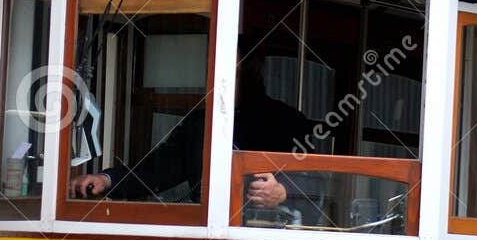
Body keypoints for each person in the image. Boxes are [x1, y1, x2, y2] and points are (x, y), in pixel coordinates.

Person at [71, 58, 315, 207]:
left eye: (235, 72)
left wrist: (284, 192)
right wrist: (107, 180)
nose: (222, 81)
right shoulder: (201, 124)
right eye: (217, 72)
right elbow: (158, 170)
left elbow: (320, 184)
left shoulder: (288, 121)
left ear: (254, 74)